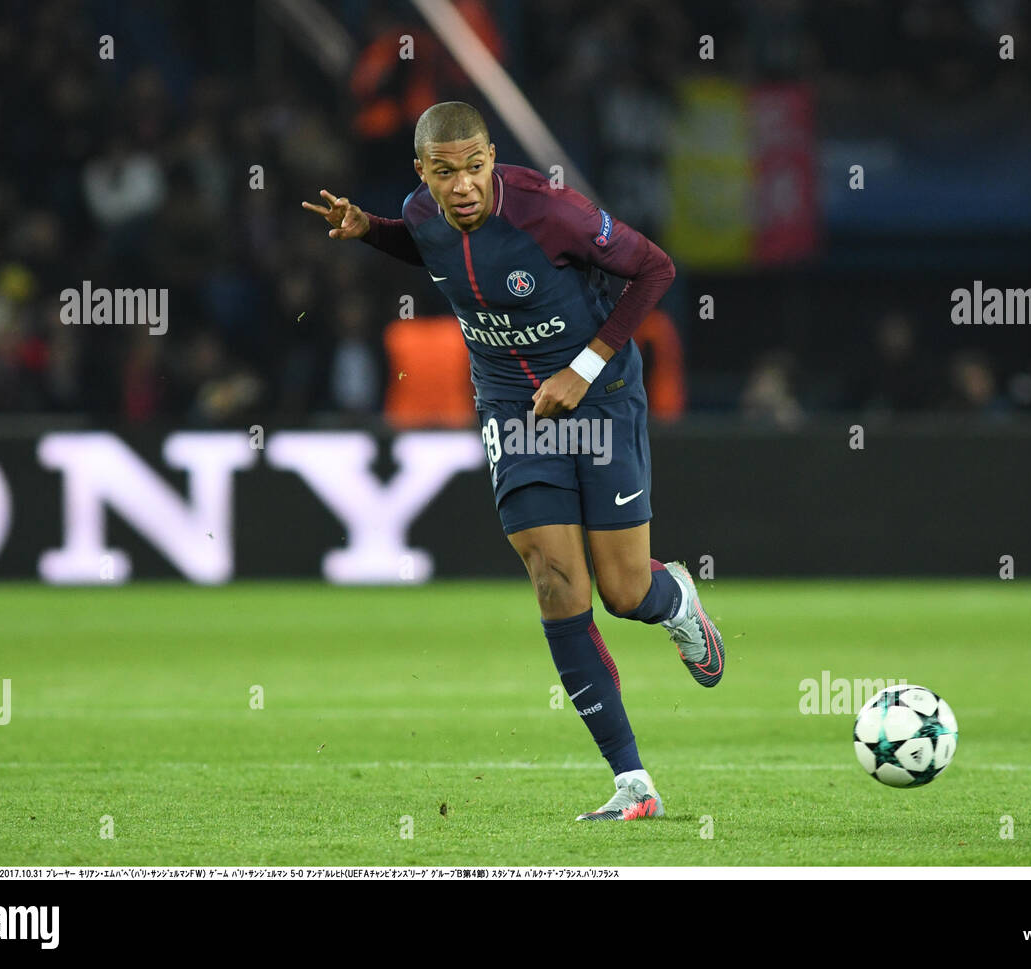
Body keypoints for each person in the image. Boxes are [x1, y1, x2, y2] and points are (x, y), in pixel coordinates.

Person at [302, 101, 724, 819]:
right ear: (422, 173)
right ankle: (632, 783)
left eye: (476, 167)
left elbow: (654, 269)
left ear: (493, 158)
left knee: (623, 593)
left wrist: (584, 368)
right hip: (514, 408)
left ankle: (675, 598)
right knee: (556, 580)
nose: (463, 185)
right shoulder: (423, 211)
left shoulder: (548, 210)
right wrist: (371, 230)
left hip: (599, 398)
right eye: (445, 173)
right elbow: (429, 245)